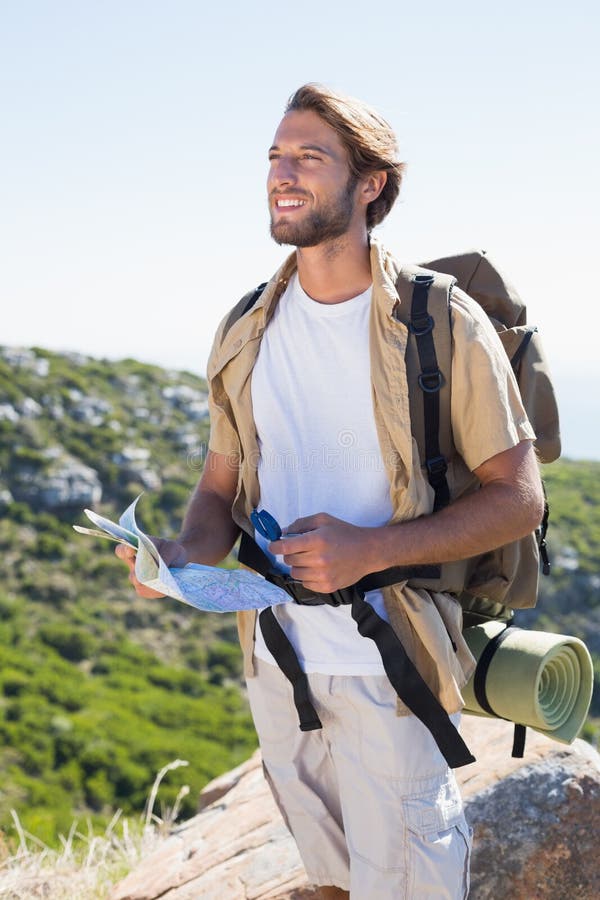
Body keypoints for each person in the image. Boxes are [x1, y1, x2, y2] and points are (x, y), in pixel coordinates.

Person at [117, 84, 544, 899]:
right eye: (276, 156)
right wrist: (174, 557)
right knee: (333, 882)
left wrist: (370, 549)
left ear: (370, 183)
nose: (283, 173)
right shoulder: (246, 326)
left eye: (309, 156)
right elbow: (219, 490)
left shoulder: (440, 321)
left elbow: (518, 497)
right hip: (277, 663)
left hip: (392, 663)